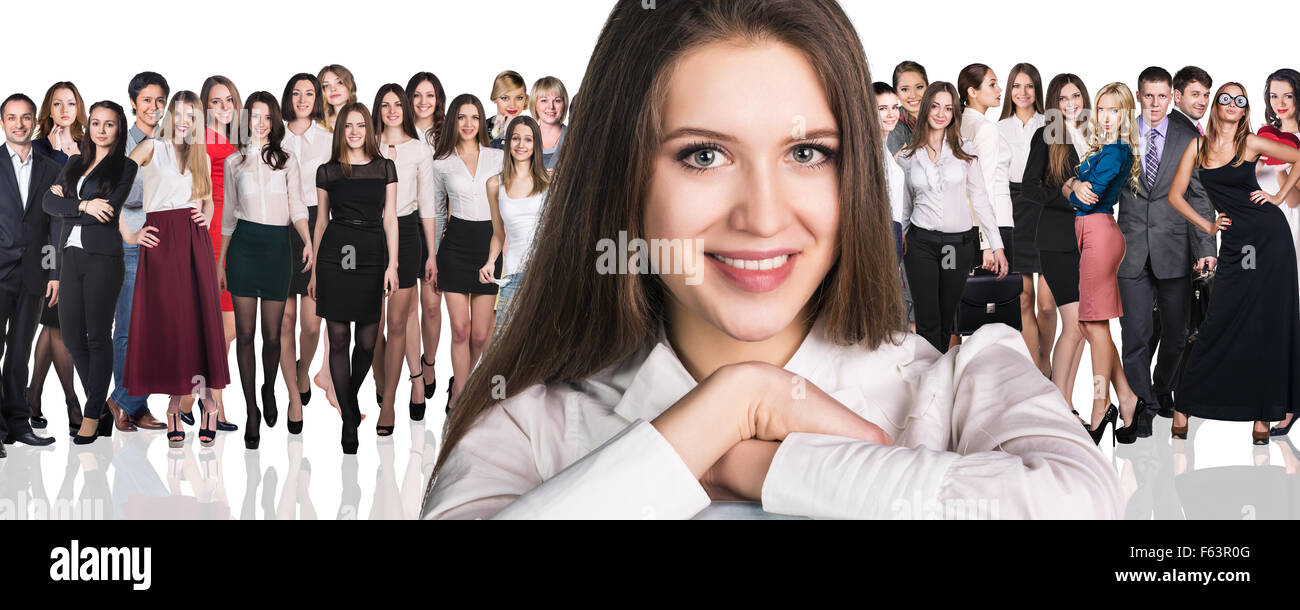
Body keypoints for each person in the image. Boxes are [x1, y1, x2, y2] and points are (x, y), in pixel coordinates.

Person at [421, 0, 1119, 520]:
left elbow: (1079, 504)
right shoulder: (526, 425)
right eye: (704, 154)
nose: (762, 215)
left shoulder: (967, 381)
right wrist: (735, 404)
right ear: (621, 178)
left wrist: (747, 461)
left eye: (807, 153)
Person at [1166, 82, 1300, 445]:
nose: (1231, 104)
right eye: (1225, 97)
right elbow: (1175, 196)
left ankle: (1263, 414)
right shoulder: (1197, 146)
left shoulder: (1252, 142)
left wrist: (1278, 196)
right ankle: (1185, 404)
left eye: (1240, 100)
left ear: (1244, 111)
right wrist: (1207, 224)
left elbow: (1297, 156)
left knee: (1266, 324)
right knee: (1218, 319)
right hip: (1236, 244)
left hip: (1270, 241)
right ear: (1217, 107)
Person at [124, 90, 231, 449]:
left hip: (194, 241)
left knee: (198, 320)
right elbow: (115, 181)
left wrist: (207, 216)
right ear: (169, 116)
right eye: (179, 114)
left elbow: (208, 201)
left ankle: (208, 402)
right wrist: (130, 232)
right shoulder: (152, 147)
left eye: (192, 116)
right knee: (171, 323)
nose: (184, 121)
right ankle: (173, 404)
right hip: (161, 242)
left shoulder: (197, 154)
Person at [1117, 67, 1217, 435]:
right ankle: (1142, 404)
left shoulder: (1188, 135)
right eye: (1148, 96)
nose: (1155, 103)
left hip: (1175, 247)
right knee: (1136, 333)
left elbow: (1199, 195)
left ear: (1170, 96)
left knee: (1177, 334)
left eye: (1162, 96)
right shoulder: (1121, 131)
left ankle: (1162, 388)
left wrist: (1206, 245)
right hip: (1130, 249)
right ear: (1139, 96)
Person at [218, 91, 314, 448]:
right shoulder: (234, 162)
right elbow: (228, 214)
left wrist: (308, 241)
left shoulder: (287, 160)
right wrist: (220, 262)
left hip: (277, 248)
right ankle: (252, 410)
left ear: (274, 121)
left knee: (272, 336)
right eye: (253, 116)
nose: (260, 123)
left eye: (266, 117)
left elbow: (297, 205)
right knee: (245, 335)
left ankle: (270, 387)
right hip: (243, 248)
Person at [42, 100, 139, 444]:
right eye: (95, 123)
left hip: (103, 259)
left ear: (118, 129)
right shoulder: (73, 163)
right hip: (72, 257)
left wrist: (68, 206)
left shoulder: (125, 167)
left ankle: (90, 412)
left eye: (108, 124)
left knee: (98, 336)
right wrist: (82, 204)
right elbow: (47, 204)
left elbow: (108, 213)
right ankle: (101, 405)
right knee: (71, 336)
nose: (100, 129)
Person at [308, 102, 399, 454]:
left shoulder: (384, 167)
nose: (355, 131)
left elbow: (390, 218)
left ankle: (348, 398)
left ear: (370, 130)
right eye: (348, 126)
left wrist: (393, 265)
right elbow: (320, 222)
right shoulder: (327, 171)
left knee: (366, 341)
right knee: (339, 337)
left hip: (373, 253)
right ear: (341, 131)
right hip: (335, 253)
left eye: (361, 125)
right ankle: (349, 417)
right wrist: (315, 268)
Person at [897, 81, 1009, 354]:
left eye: (948, 108)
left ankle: (938, 379)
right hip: (920, 244)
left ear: (954, 113)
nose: (940, 113)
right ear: (925, 109)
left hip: (955, 246)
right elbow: (904, 207)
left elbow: (980, 199)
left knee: (947, 319)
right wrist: (899, 242)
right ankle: (928, 385)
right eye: (935, 106)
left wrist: (996, 245)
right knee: (926, 319)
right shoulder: (908, 155)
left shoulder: (965, 149)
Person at [1066, 81, 1148, 445]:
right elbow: (1075, 190)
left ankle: (1101, 407)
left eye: (1115, 110)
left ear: (1126, 114)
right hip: (1091, 233)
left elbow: (1085, 200)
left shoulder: (1115, 152)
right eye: (1101, 109)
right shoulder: (1102, 149)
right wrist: (1072, 185)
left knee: (1093, 324)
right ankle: (1127, 399)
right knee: (1090, 325)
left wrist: (1071, 187)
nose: (1107, 117)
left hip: (1099, 232)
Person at [432, 94, 505, 411]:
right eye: (461, 117)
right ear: (453, 121)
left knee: (480, 335)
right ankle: (459, 395)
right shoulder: (441, 163)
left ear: (481, 122)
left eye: (475, 117)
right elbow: (436, 212)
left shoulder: (497, 158)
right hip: (455, 247)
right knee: (460, 330)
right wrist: (432, 258)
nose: (468, 123)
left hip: (489, 246)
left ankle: (476, 387)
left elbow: (510, 206)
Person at [105, 72, 169, 433]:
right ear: (133, 102)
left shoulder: (170, 142)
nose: (154, 107)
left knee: (156, 328)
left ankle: (128, 401)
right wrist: (130, 234)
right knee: (128, 328)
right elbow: (117, 196)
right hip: (130, 243)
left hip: (162, 243)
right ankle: (131, 403)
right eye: (147, 100)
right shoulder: (120, 144)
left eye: (160, 101)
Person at [1023, 73, 1089, 420]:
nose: (1070, 104)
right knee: (1076, 324)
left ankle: (1065, 402)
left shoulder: (1095, 135)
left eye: (1075, 96)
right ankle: (1060, 404)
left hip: (1090, 243)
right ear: (1053, 104)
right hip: (1057, 241)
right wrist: (1067, 195)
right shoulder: (1047, 135)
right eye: (1062, 99)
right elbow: (1030, 187)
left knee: (1083, 328)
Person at [371, 83, 436, 434]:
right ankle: (383, 381)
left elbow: (427, 205)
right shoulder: (367, 143)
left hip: (408, 231)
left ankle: (406, 387)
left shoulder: (419, 150)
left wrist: (432, 254)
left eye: (398, 104)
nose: (393, 110)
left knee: (403, 318)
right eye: (385, 104)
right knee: (372, 320)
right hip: (369, 233)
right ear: (377, 109)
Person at [0, 93, 61, 453]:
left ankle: (18, 424)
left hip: (36, 275)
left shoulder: (51, 170)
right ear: (3, 122)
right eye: (12, 117)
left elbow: (57, 224)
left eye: (25, 118)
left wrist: (54, 271)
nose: (19, 124)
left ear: (34, 122)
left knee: (19, 350)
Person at [27, 82, 86, 433]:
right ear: (49, 109)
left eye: (71, 103)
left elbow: (87, 195)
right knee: (56, 323)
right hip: (42, 246)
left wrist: (74, 155)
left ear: (79, 108)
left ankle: (32, 394)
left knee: (55, 325)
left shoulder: (85, 148)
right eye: (58, 103)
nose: (65, 109)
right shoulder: (36, 149)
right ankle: (71, 401)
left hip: (76, 243)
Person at [279, 73, 333, 427]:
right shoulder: (274, 134)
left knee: (312, 324)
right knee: (285, 321)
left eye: (309, 93)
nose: (302, 99)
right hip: (280, 224)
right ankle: (293, 397)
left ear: (317, 99)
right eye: (296, 93)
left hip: (317, 223)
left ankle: (304, 369)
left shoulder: (328, 139)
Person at [997, 63, 1052, 374]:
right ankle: (1036, 371)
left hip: (1044, 207)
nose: (1022, 92)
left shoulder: (1051, 123)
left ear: (1037, 90)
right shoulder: (999, 127)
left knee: (1046, 304)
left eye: (1029, 86)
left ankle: (1047, 358)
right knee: (1022, 299)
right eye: (1016, 86)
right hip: (1013, 207)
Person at [481, 116, 548, 344]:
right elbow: (498, 233)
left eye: (528, 139)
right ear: (508, 142)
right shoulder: (494, 184)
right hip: (513, 275)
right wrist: (490, 262)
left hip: (547, 273)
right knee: (503, 346)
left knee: (543, 346)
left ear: (536, 145)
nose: (521, 145)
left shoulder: (552, 179)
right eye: (516, 138)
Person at [405, 71, 447, 415]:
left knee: (432, 305)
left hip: (439, 224)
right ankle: (416, 379)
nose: (423, 102)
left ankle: (429, 360)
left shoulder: (447, 134)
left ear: (438, 99)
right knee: (407, 307)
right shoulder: (397, 132)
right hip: (404, 224)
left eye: (429, 95)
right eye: (417, 95)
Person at [872, 82, 912, 328]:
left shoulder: (885, 148)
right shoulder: (869, 150)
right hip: (879, 234)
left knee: (892, 305)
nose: (891, 114)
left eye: (894, 107)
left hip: (893, 232)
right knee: (881, 307)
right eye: (882, 108)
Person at [887, 61, 927, 156]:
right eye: (905, 89)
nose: (913, 95)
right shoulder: (892, 125)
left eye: (919, 87)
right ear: (896, 93)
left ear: (928, 88)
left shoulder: (943, 115)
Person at [531, 76, 567, 170]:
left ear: (564, 104)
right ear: (534, 104)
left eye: (557, 100)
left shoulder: (575, 140)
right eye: (544, 100)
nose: (551, 106)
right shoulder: (523, 139)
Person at [486, 71, 527, 150]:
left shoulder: (532, 131)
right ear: (494, 98)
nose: (512, 105)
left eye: (519, 98)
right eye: (505, 98)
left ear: (525, 98)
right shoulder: (480, 129)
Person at [1171, 66, 1212, 135]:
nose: (1203, 102)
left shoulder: (1190, 128)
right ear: (1177, 96)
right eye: (1195, 94)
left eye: (1206, 95)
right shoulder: (1171, 130)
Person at [318, 65, 357, 134]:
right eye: (326, 85)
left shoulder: (366, 121)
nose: (333, 89)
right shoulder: (318, 126)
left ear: (350, 86)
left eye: (339, 83)